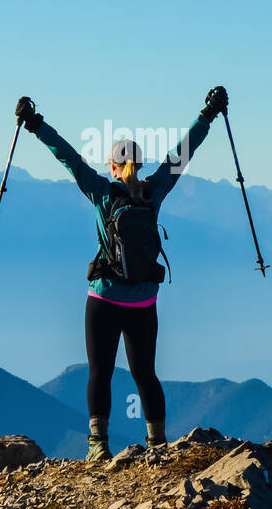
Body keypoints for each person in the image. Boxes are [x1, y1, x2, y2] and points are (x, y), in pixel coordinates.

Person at [14, 87, 229, 461]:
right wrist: (208, 114)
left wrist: (35, 123)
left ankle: (98, 446)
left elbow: (66, 156)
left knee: (100, 372)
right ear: (140, 165)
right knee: (145, 374)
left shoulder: (100, 191)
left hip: (104, 298)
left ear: (112, 165)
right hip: (143, 300)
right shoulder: (154, 191)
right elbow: (183, 153)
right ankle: (157, 443)